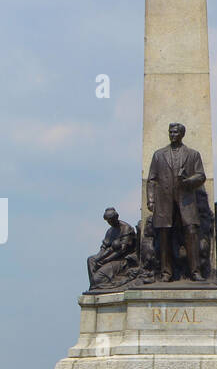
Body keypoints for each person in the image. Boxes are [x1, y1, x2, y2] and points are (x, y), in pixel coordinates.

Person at [146, 121, 206, 281]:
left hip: (186, 200)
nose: (172, 135)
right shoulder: (159, 155)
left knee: (191, 233)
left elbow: (201, 175)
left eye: (175, 132)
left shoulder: (193, 154)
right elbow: (151, 179)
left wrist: (187, 181)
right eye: (170, 132)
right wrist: (150, 201)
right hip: (164, 201)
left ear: (182, 134)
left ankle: (195, 271)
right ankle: (166, 272)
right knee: (164, 235)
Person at [86, 207, 139, 289]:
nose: (110, 223)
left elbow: (122, 250)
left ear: (116, 217)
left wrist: (105, 260)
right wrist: (98, 257)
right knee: (91, 260)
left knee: (98, 278)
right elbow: (104, 247)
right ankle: (94, 285)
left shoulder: (126, 228)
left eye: (111, 220)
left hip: (122, 260)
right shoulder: (110, 231)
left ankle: (98, 283)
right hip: (110, 257)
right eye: (108, 221)